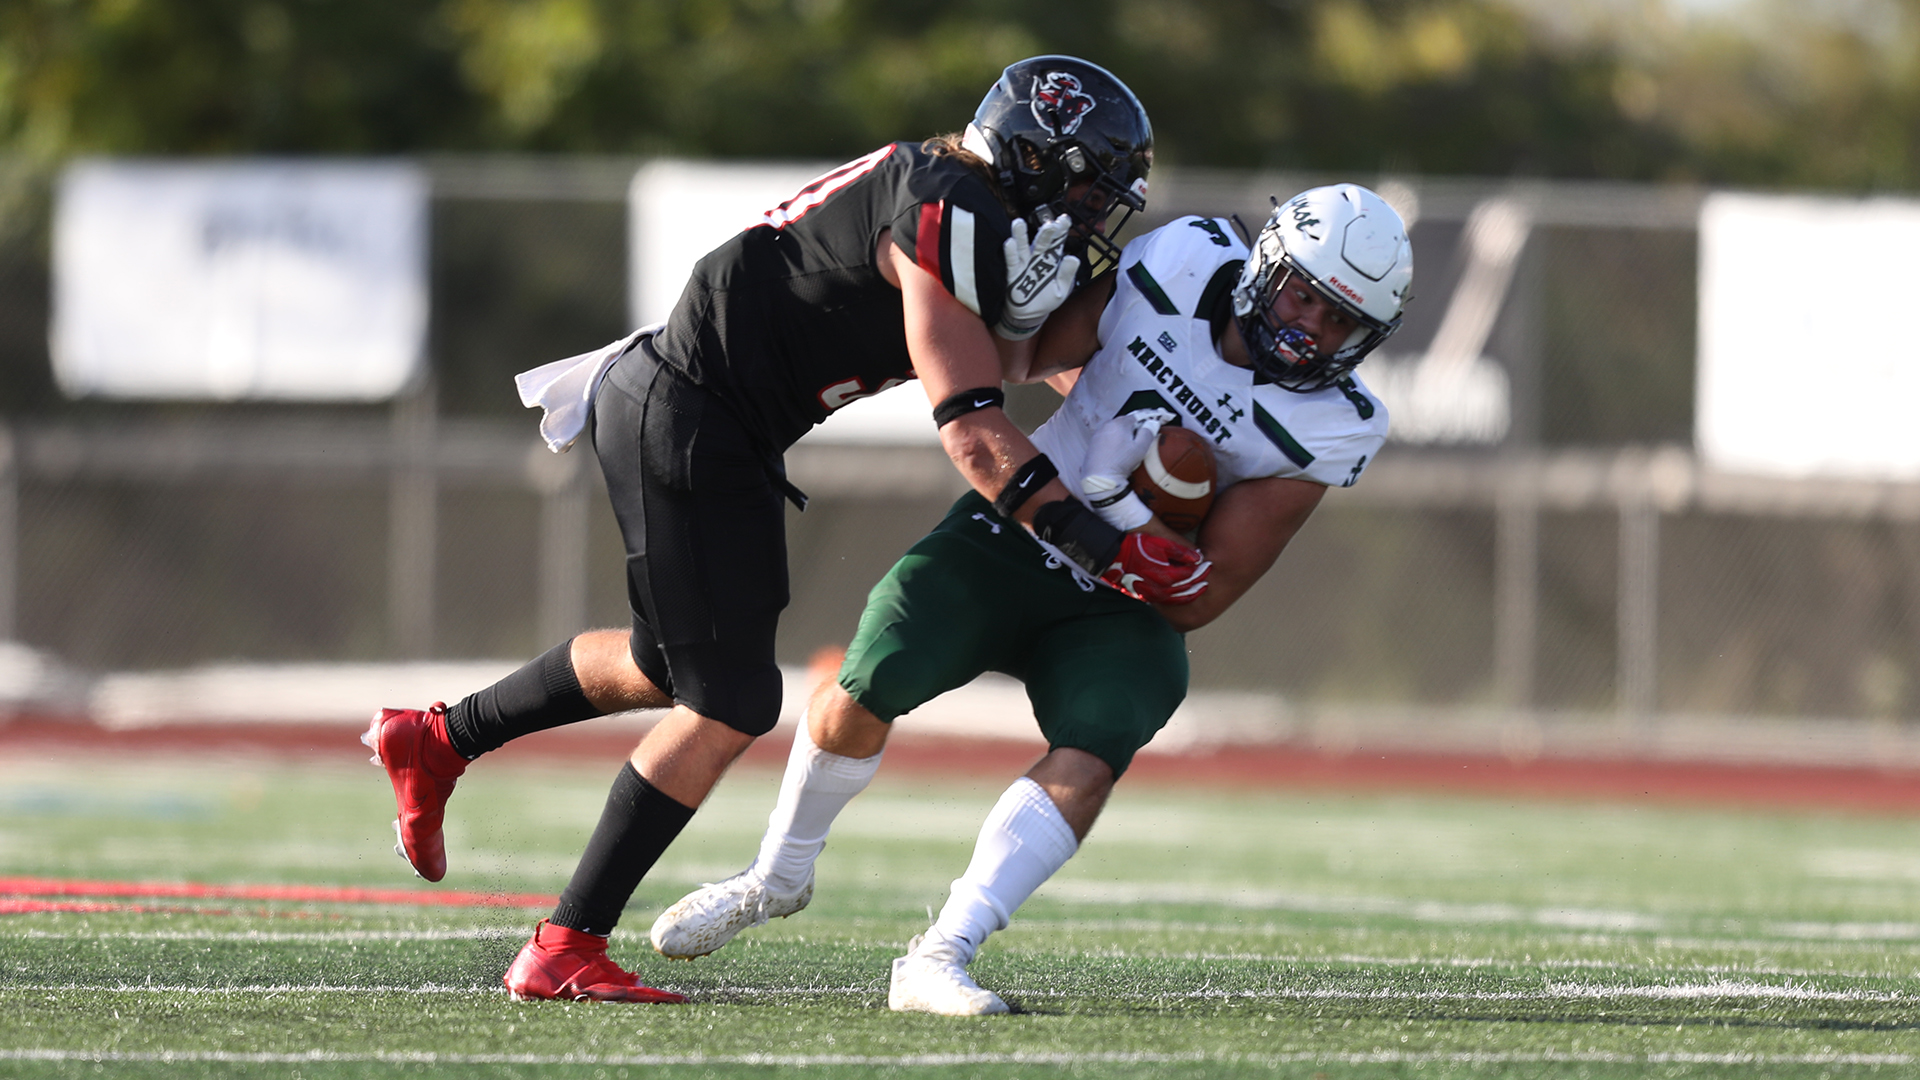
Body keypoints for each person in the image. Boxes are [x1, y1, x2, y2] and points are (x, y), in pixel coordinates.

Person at [361, 56, 1208, 1005]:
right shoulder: (948, 208)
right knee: (728, 700)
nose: (1094, 212)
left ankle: (438, 739)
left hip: (711, 416)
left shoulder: (961, 206)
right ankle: (564, 944)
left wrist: (1169, 383)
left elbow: (1022, 356)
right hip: (691, 411)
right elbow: (972, 427)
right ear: (1031, 156)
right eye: (1088, 184)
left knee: (666, 663)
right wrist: (1099, 543)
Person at [646, 184, 1413, 1015]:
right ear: (1269, 265)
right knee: (866, 678)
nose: (1313, 331)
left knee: (1095, 750)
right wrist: (1098, 421)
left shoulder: (1336, 423)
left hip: (1125, 602)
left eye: (1343, 322)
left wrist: (1121, 506)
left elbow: (1205, 592)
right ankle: (777, 876)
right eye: (1307, 296)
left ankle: (941, 954)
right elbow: (1031, 354)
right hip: (1016, 532)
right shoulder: (1184, 260)